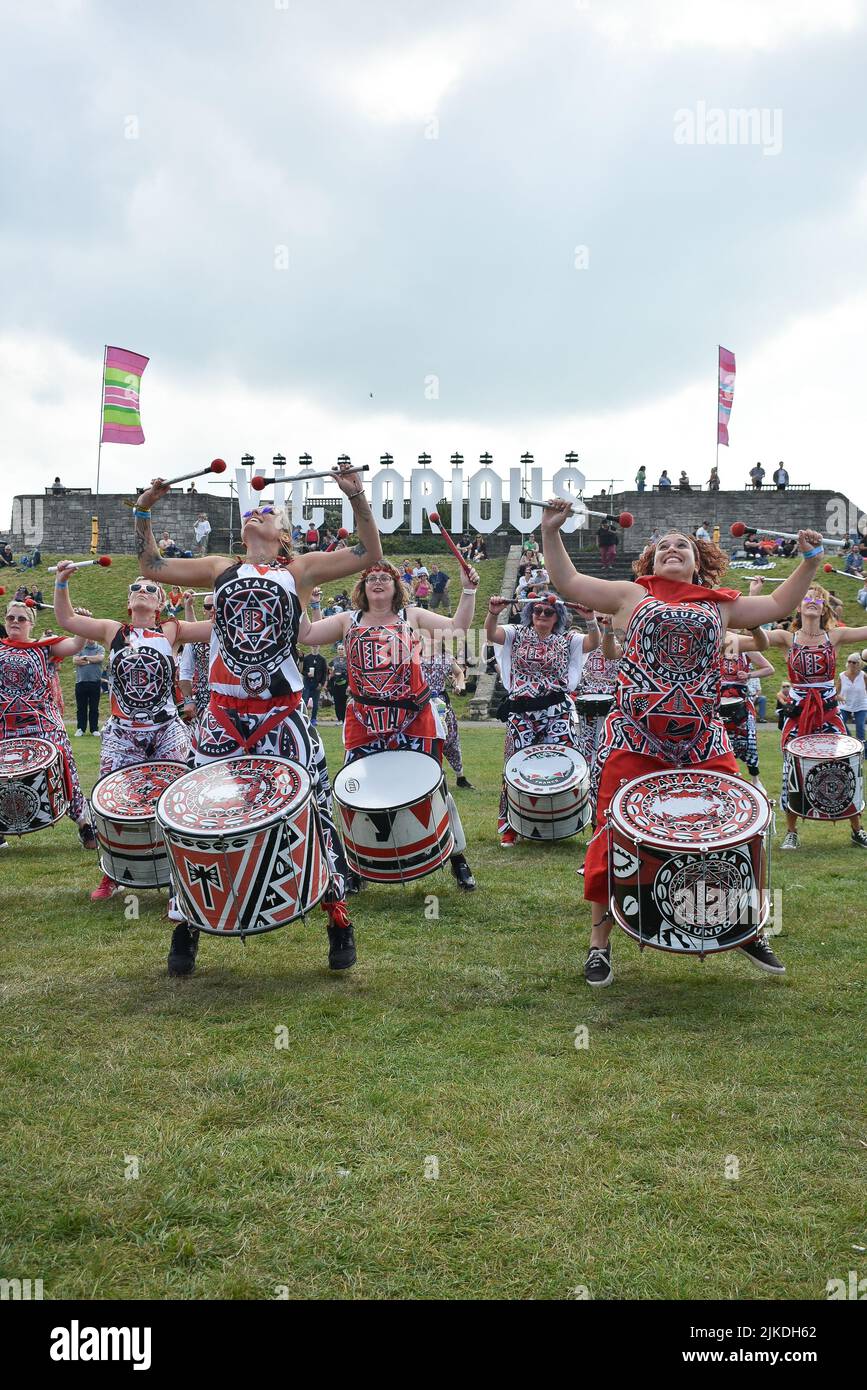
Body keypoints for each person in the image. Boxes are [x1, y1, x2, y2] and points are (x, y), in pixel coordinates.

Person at [542, 506, 830, 987]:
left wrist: (810, 560)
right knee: (612, 835)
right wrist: (551, 531)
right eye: (664, 546)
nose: (673, 549)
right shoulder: (630, 595)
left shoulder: (720, 605)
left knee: (740, 829)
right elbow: (567, 580)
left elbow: (780, 602)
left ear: (699, 562)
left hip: (702, 740)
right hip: (635, 737)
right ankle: (599, 946)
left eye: (683, 545)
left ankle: (745, 929)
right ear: (651, 562)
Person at [132, 459, 383, 974]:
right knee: (195, 817)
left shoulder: (301, 571)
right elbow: (151, 568)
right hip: (222, 715)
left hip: (281, 715)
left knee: (311, 811)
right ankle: (187, 925)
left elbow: (369, 554)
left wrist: (355, 496)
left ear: (284, 534)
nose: (258, 513)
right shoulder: (219, 568)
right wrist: (143, 511)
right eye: (256, 509)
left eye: (269, 512)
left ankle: (337, 916)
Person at [298, 558, 480, 891]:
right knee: (358, 793)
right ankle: (356, 869)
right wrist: (302, 595)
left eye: (386, 578)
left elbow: (457, 628)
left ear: (397, 587)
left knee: (432, 790)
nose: (379, 582)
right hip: (365, 721)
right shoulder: (347, 621)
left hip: (413, 718)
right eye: (372, 578)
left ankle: (457, 858)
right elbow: (306, 634)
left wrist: (468, 590)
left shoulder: (412, 617)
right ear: (362, 588)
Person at [53, 569, 204, 900]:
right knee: (111, 804)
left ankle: (180, 879)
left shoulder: (172, 630)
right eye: (135, 587)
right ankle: (113, 873)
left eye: (150, 588)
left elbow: (218, 627)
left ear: (160, 603)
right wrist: (62, 582)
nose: (142, 590)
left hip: (165, 729)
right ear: (128, 600)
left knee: (177, 798)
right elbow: (66, 619)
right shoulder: (113, 631)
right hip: (123, 732)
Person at [485, 594, 600, 845]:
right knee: (514, 767)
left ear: (558, 616)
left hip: (556, 710)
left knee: (573, 765)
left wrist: (590, 619)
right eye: (537, 610)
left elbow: (594, 642)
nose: (541, 615)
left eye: (548, 612)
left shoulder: (567, 639)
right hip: (521, 711)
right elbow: (492, 635)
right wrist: (493, 613)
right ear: (530, 613)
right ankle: (510, 825)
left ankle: (588, 820)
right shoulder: (516, 633)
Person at [764, 580, 867, 850]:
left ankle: (857, 829)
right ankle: (791, 831)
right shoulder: (786, 638)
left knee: (845, 765)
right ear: (797, 606)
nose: (811, 601)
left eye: (817, 598)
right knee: (792, 769)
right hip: (798, 712)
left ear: (823, 609)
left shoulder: (835, 637)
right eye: (806, 597)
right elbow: (746, 639)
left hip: (829, 711)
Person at [0, 597, 98, 853]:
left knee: (64, 765)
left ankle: (84, 823)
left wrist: (81, 623)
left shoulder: (45, 648)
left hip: (43, 723)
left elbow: (76, 645)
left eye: (21, 618)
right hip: (5, 724)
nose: (15, 622)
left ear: (31, 624)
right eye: (10, 617)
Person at [574, 614, 622, 817]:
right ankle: (589, 810)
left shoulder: (619, 645)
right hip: (588, 707)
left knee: (610, 755)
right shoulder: (586, 645)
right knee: (587, 755)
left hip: (612, 705)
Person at [718, 618, 774, 793]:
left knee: (748, 740)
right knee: (721, 740)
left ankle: (755, 779)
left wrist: (749, 674)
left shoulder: (745, 646)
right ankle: (729, 775)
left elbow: (769, 669)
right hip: (718, 699)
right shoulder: (716, 644)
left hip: (741, 698)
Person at [420, 639, 472, 789]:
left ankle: (460, 776)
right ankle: (433, 776)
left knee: (450, 739)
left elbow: (459, 673)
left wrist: (459, 685)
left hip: (441, 703)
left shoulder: (445, 657)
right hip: (422, 704)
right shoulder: (415, 657)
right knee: (427, 740)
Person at [178, 591, 215, 730]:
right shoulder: (194, 642)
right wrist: (188, 700)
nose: (212, 609)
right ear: (203, 610)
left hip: (233, 703)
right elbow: (185, 672)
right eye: (208, 606)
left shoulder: (234, 633)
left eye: (216, 605)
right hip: (204, 704)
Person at [73, 636, 105, 736]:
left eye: (92, 637)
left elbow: (99, 658)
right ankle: (81, 729)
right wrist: (91, 660)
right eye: (88, 637)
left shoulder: (100, 648)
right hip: (81, 682)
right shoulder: (79, 648)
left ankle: (94, 729)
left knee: (94, 707)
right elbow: (75, 660)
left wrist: (84, 658)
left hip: (95, 682)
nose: (91, 639)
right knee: (81, 707)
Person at [838, 653, 867, 756]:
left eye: (854, 662)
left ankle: (863, 754)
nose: (851, 664)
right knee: (841, 724)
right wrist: (838, 696)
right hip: (844, 704)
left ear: (858, 664)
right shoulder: (841, 675)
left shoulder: (863, 675)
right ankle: (850, 744)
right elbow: (836, 692)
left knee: (860, 726)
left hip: (861, 704)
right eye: (849, 661)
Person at [301, 645, 328, 727]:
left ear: (319, 647)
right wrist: (307, 674)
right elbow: (302, 670)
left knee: (315, 704)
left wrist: (321, 683)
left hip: (317, 684)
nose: (314, 648)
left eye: (316, 646)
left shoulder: (322, 659)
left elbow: (324, 673)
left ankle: (313, 719)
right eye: (313, 646)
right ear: (311, 647)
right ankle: (304, 718)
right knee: (305, 701)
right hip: (307, 683)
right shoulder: (306, 658)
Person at [327, 644, 349, 723]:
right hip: (336, 684)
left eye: (342, 649)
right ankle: (339, 719)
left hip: (345, 683)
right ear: (337, 650)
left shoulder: (348, 659)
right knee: (337, 702)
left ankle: (344, 719)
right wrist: (331, 673)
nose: (340, 650)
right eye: (339, 649)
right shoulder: (334, 659)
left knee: (344, 702)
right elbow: (328, 667)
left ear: (345, 650)